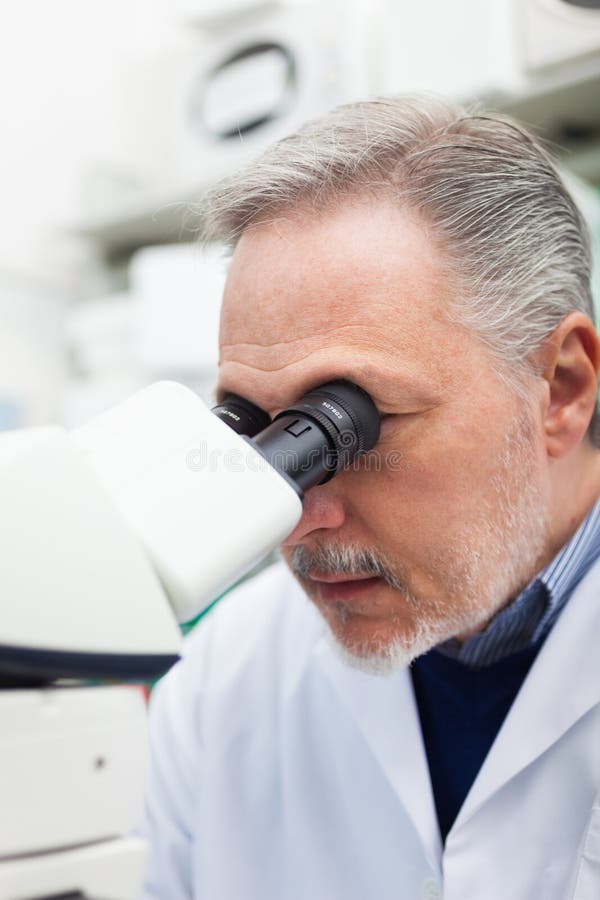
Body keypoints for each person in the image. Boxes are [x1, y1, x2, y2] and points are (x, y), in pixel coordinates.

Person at [139, 95, 600, 900]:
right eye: (260, 430)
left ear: (560, 388)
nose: (297, 509)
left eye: (350, 424)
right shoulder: (222, 677)